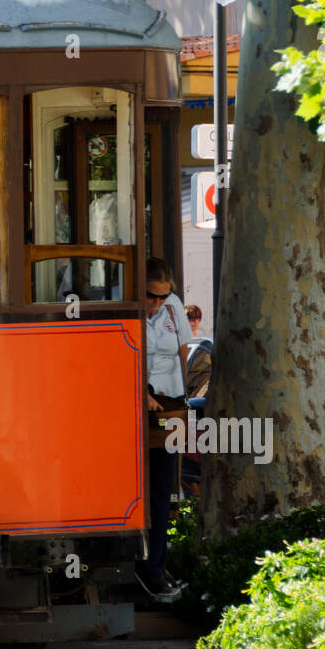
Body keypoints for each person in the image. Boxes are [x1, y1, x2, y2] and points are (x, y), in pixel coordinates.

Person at [135, 256, 192, 605]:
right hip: (135, 404)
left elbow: (183, 353)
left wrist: (181, 400)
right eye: (151, 296)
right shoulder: (127, 306)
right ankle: (137, 566)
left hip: (168, 406)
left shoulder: (172, 307)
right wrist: (142, 393)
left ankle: (155, 567)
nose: (157, 303)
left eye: (163, 296)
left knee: (161, 493)